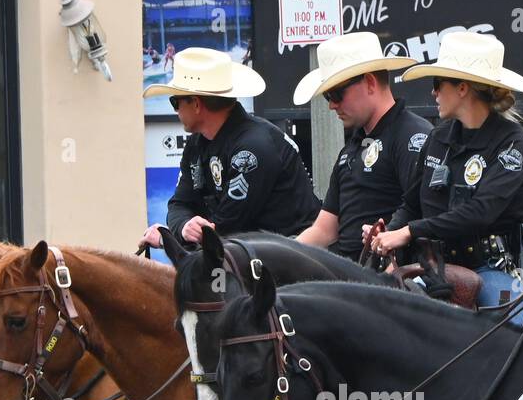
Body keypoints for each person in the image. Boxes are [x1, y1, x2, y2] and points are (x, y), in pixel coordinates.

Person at [373, 31, 523, 322]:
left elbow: (480, 212)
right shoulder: (438, 136)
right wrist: (387, 234)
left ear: (463, 88)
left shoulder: (513, 142)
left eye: (438, 84)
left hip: (490, 268)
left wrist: (408, 231)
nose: (433, 93)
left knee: (517, 329)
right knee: (381, 318)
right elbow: (411, 204)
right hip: (433, 265)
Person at [141, 47, 320, 247]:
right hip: (250, 257)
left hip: (293, 261)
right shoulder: (196, 145)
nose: (175, 110)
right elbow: (180, 204)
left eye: (175, 102)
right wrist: (184, 226)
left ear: (197, 104)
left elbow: (227, 230)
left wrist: (167, 240)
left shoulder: (252, 148)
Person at [291, 32, 430, 260]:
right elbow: (324, 230)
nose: (332, 105)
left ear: (369, 82)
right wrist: (278, 255)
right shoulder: (352, 147)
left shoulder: (412, 136)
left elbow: (421, 215)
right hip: (346, 274)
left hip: (385, 278)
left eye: (337, 94)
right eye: (327, 96)